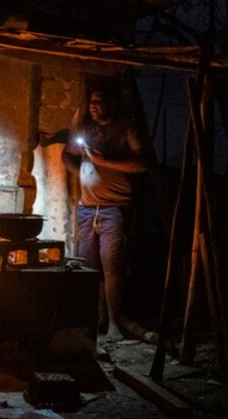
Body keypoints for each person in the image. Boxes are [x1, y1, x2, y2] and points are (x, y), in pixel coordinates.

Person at [63, 78, 149, 343]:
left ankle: (114, 323)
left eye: (99, 102)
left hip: (114, 208)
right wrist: (83, 172)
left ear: (112, 103)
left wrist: (104, 162)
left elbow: (142, 164)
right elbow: (68, 154)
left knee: (112, 267)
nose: (94, 107)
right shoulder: (86, 130)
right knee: (88, 267)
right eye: (91, 102)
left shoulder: (127, 129)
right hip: (87, 209)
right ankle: (93, 320)